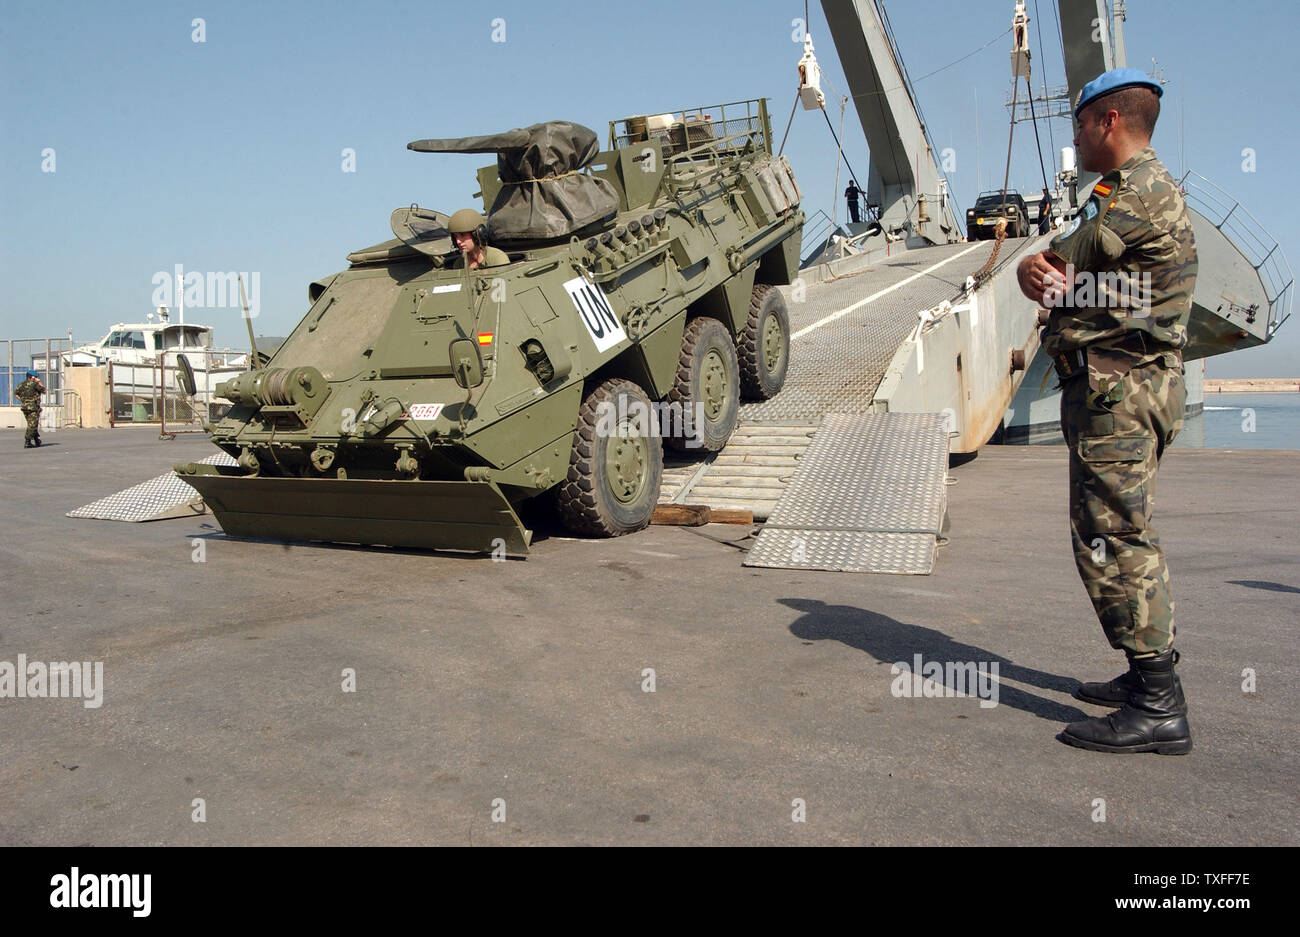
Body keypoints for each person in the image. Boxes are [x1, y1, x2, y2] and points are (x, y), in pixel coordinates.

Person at [1015, 68, 1197, 755]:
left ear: (1107, 123)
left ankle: (1159, 703)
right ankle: (1145, 672)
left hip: (1121, 394)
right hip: (1120, 388)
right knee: (1124, 532)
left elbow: (1057, 264)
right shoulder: (1126, 191)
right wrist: (1044, 273)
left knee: (1113, 538)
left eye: (1079, 123)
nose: (1076, 134)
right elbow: (1066, 277)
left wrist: (1034, 266)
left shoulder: (1137, 197)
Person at [14, 370, 45, 448]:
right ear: (32, 377)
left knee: (31, 423)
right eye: (36, 377)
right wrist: (39, 382)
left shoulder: (21, 384)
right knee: (32, 425)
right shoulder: (34, 384)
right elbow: (44, 390)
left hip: (24, 407)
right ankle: (27, 441)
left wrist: (23, 400)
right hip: (33, 408)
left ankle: (36, 439)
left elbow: (16, 394)